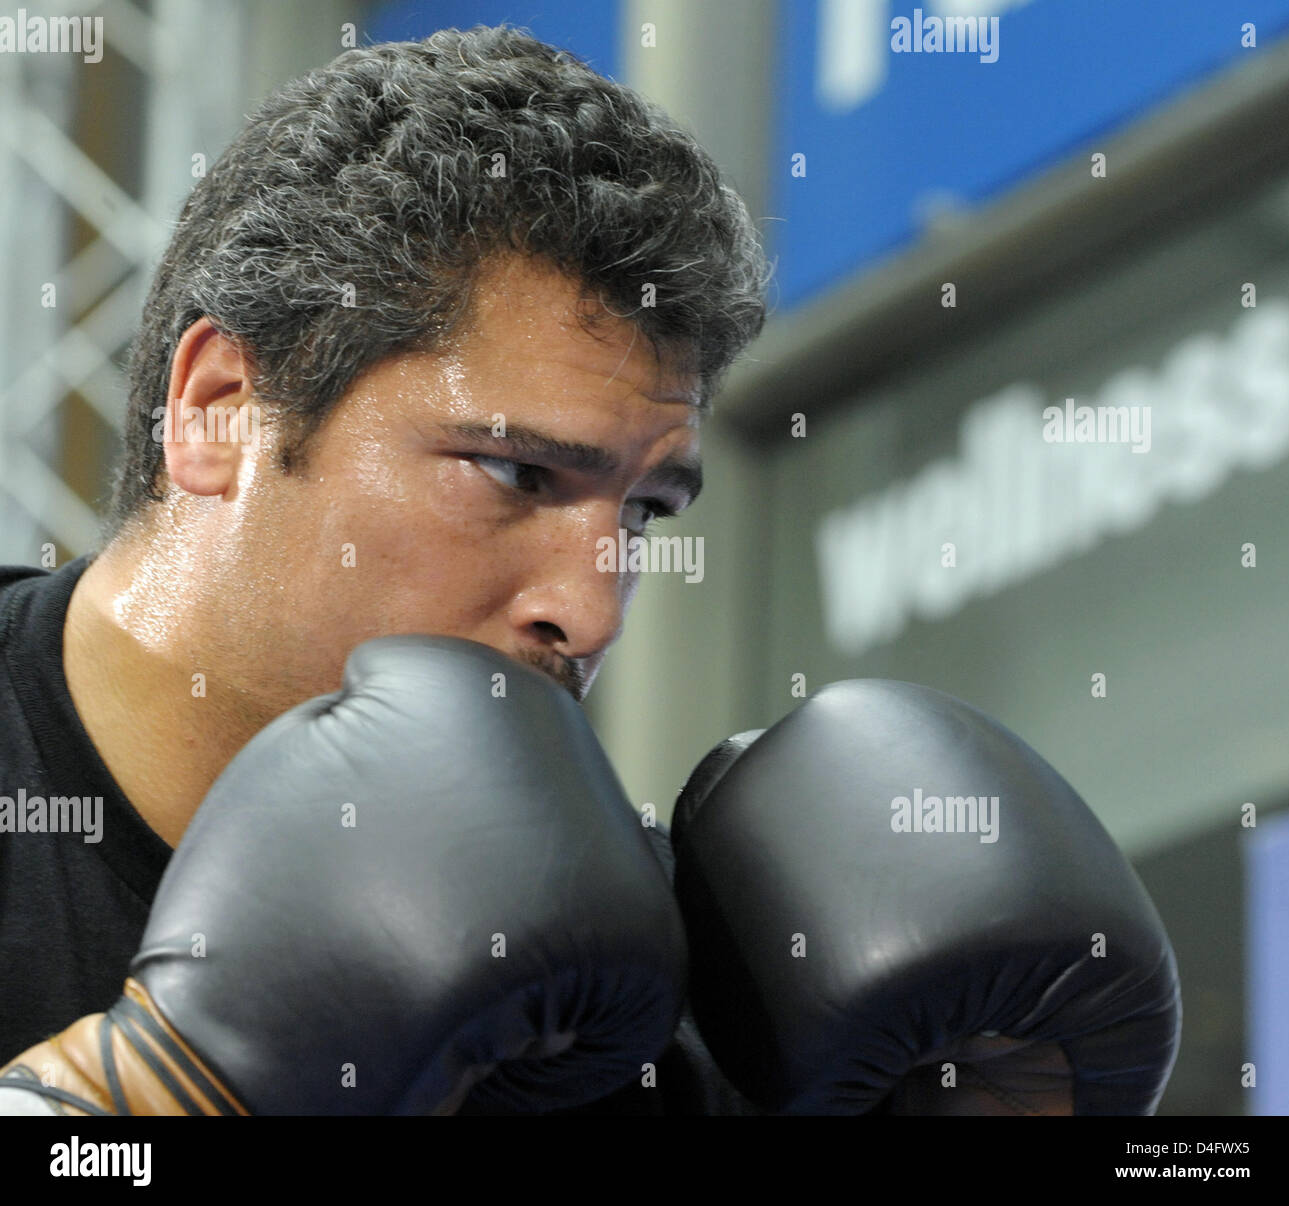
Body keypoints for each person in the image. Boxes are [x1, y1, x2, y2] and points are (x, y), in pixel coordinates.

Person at [0, 23, 769, 1114]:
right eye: (515, 475)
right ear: (221, 411)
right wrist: (141, 1099)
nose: (590, 613)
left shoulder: (636, 994)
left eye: (642, 512)